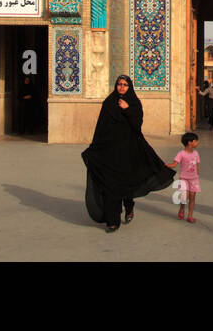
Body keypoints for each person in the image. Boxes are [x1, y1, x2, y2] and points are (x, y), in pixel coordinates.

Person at [81, 74, 175, 233]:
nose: (122, 87)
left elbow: (137, 125)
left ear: (130, 87)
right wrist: (95, 147)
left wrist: (128, 109)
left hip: (128, 151)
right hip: (111, 151)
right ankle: (113, 221)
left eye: (125, 85)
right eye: (119, 84)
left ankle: (129, 207)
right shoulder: (109, 103)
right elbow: (101, 127)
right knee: (111, 185)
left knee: (126, 182)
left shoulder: (134, 103)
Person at [166, 132, 201, 223]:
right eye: (195, 141)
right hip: (184, 179)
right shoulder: (181, 154)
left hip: (194, 179)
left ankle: (190, 216)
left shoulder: (196, 154)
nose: (197, 143)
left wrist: (197, 176)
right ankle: (182, 209)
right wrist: (165, 165)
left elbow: (197, 165)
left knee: (192, 197)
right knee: (185, 197)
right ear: (190, 142)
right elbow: (174, 164)